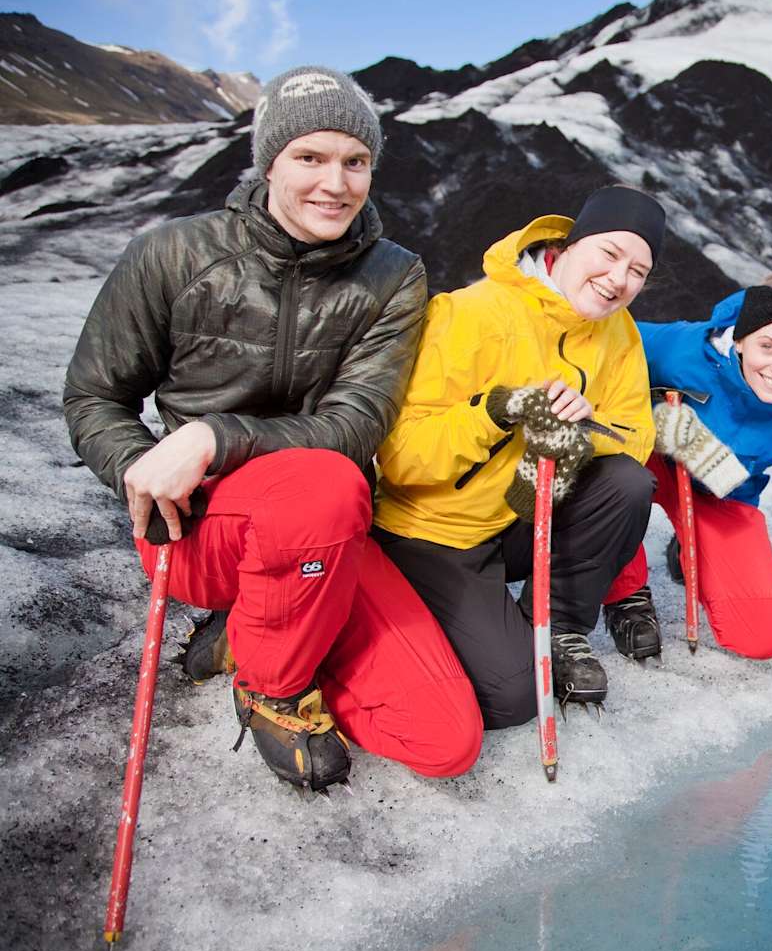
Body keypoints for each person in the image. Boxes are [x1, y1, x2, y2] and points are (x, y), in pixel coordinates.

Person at [62, 65, 483, 793]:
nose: (336, 183)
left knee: (445, 741)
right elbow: (94, 397)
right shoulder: (174, 254)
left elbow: (353, 425)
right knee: (323, 486)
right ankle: (271, 687)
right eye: (310, 158)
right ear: (268, 162)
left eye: (355, 162)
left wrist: (214, 437)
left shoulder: (392, 276)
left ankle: (257, 627)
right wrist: (143, 471)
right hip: (196, 529)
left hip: (322, 533)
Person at [371, 185, 664, 725]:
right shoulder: (469, 314)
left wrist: (578, 429)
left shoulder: (617, 330)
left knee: (626, 484)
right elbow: (401, 459)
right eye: (610, 253)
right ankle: (393, 622)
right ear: (571, 244)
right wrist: (493, 413)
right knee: (513, 700)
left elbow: (635, 436)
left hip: (519, 508)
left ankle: (557, 629)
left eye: (639, 271)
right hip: (434, 530)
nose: (619, 279)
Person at [603, 272, 772, 737]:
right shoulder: (683, 349)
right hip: (646, 461)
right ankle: (626, 591)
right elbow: (605, 335)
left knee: (760, 638)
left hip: (720, 490)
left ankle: (690, 547)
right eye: (767, 347)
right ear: (740, 340)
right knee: (623, 476)